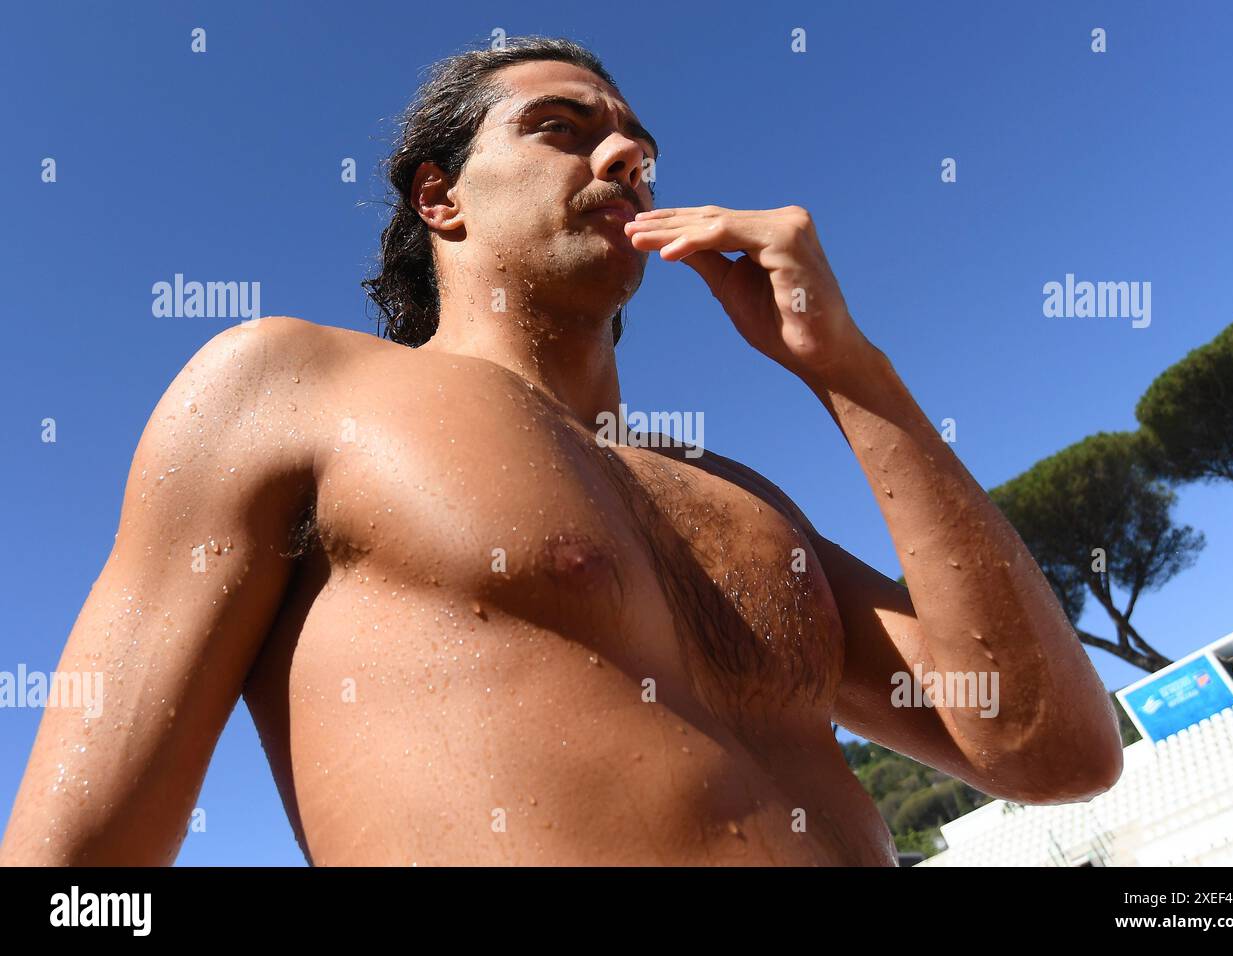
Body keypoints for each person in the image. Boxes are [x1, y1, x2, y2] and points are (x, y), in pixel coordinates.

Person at [0, 36, 1122, 867]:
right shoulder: (287, 385)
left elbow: (1051, 749)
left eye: (637, 138)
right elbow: (72, 869)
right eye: (564, 126)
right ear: (439, 196)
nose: (630, 151)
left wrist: (850, 372)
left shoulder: (737, 496)